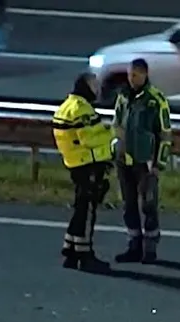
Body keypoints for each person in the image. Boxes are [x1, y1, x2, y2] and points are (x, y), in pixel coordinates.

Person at [52, 71, 115, 271]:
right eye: (95, 86)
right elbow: (90, 139)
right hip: (87, 164)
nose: (98, 89)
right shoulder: (82, 109)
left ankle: (70, 250)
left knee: (80, 208)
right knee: (87, 211)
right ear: (86, 86)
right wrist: (113, 132)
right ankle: (85, 255)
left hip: (75, 163)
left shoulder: (66, 107)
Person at [113, 57, 172, 264]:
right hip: (124, 159)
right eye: (129, 74)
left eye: (135, 75)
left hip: (145, 162)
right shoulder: (122, 97)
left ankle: (150, 248)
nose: (131, 79)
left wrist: (159, 164)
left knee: (148, 204)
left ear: (145, 74)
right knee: (128, 204)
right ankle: (133, 245)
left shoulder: (156, 100)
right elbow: (117, 125)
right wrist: (115, 150)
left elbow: (164, 134)